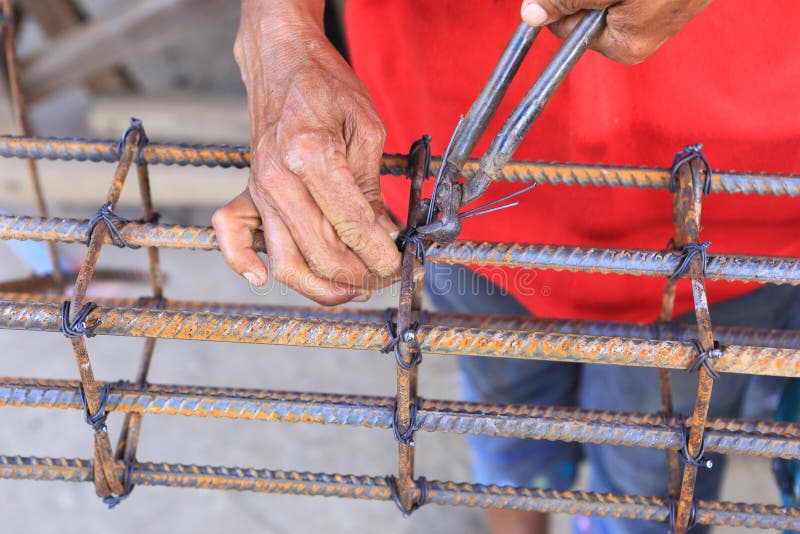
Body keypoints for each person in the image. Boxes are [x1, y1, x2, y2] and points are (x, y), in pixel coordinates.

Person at [212, 1, 800, 533]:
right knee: (502, 417)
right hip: (453, 170)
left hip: (731, 199)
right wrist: (278, 21)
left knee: (652, 476)